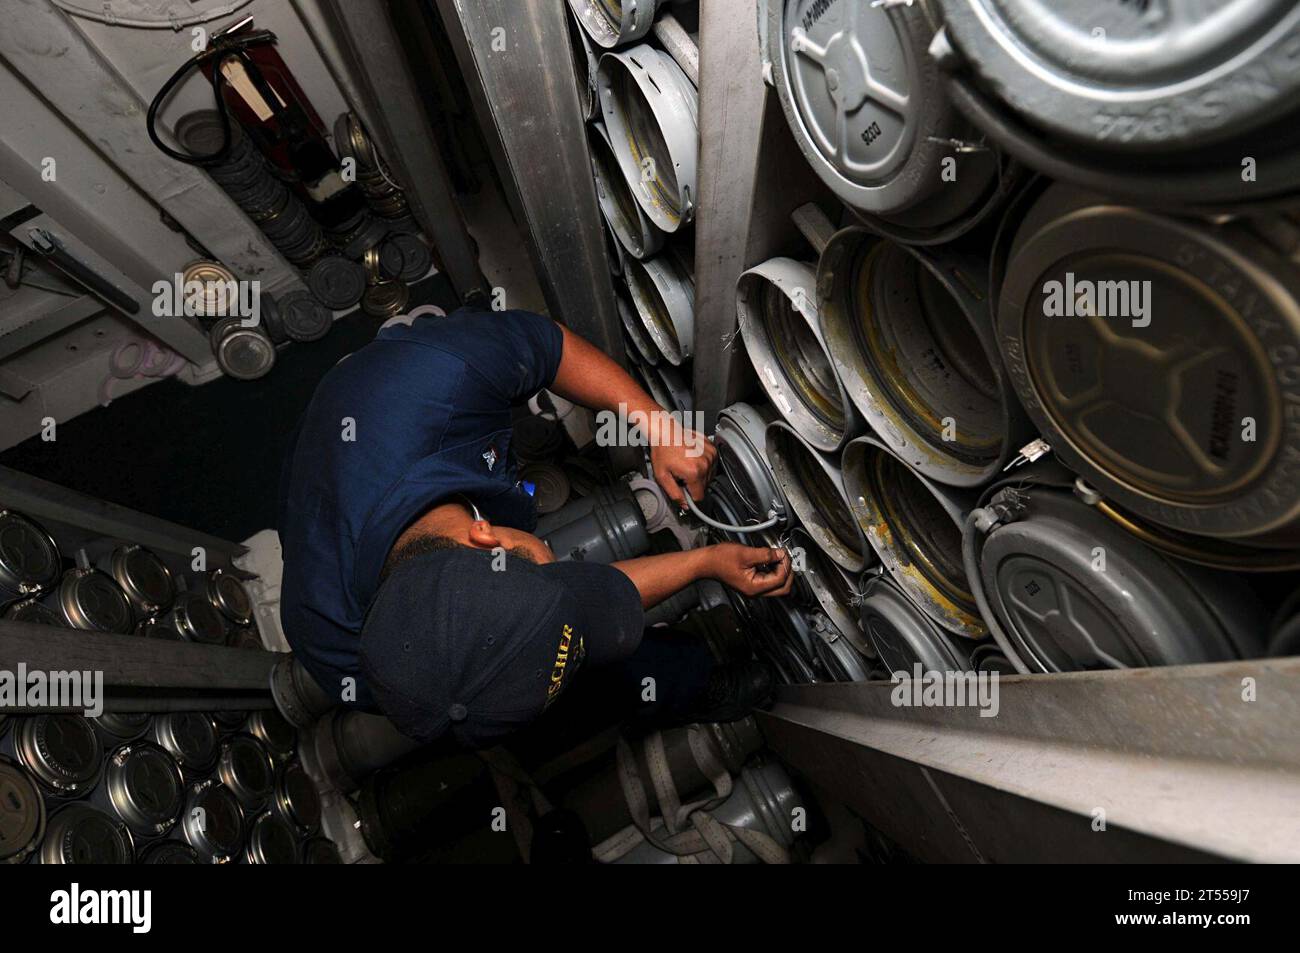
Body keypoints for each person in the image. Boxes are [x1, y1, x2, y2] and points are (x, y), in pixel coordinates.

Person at [278, 305, 792, 749]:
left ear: (485, 536)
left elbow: (548, 347)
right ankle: (687, 688)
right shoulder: (342, 653)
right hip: (339, 498)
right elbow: (533, 640)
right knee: (592, 680)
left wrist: (658, 427)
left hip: (359, 422)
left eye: (554, 577)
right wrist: (703, 563)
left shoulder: (434, 383)